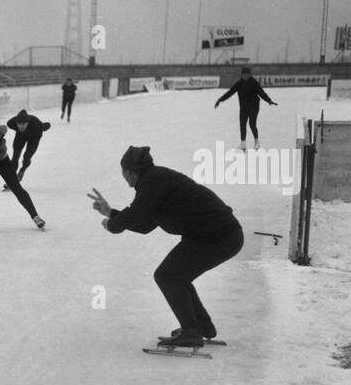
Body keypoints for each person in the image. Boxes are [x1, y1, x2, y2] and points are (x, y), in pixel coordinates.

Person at [88, 145, 244, 347]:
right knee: (176, 275)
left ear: (128, 171)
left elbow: (135, 214)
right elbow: (144, 225)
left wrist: (113, 224)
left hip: (218, 235)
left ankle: (191, 331)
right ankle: (200, 327)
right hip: (215, 235)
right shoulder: (154, 182)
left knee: (169, 275)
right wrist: (111, 214)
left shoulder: (153, 181)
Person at [214, 67, 276, 147]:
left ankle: (256, 141)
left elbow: (261, 93)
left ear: (249, 75)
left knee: (252, 124)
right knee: (242, 124)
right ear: (242, 75)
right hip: (243, 107)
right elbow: (230, 92)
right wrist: (220, 100)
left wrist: (269, 101)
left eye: (247, 74)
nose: (245, 76)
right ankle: (243, 143)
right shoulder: (239, 83)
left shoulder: (254, 83)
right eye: (243, 75)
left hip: (254, 107)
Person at [5, 109, 50, 183]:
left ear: (28, 123)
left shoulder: (36, 124)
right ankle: (11, 179)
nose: (21, 126)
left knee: (27, 156)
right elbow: (10, 124)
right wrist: (18, 130)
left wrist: (45, 126)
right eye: (19, 124)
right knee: (15, 155)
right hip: (21, 136)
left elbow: (47, 125)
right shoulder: (11, 122)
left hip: (34, 137)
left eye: (24, 124)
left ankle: (22, 170)